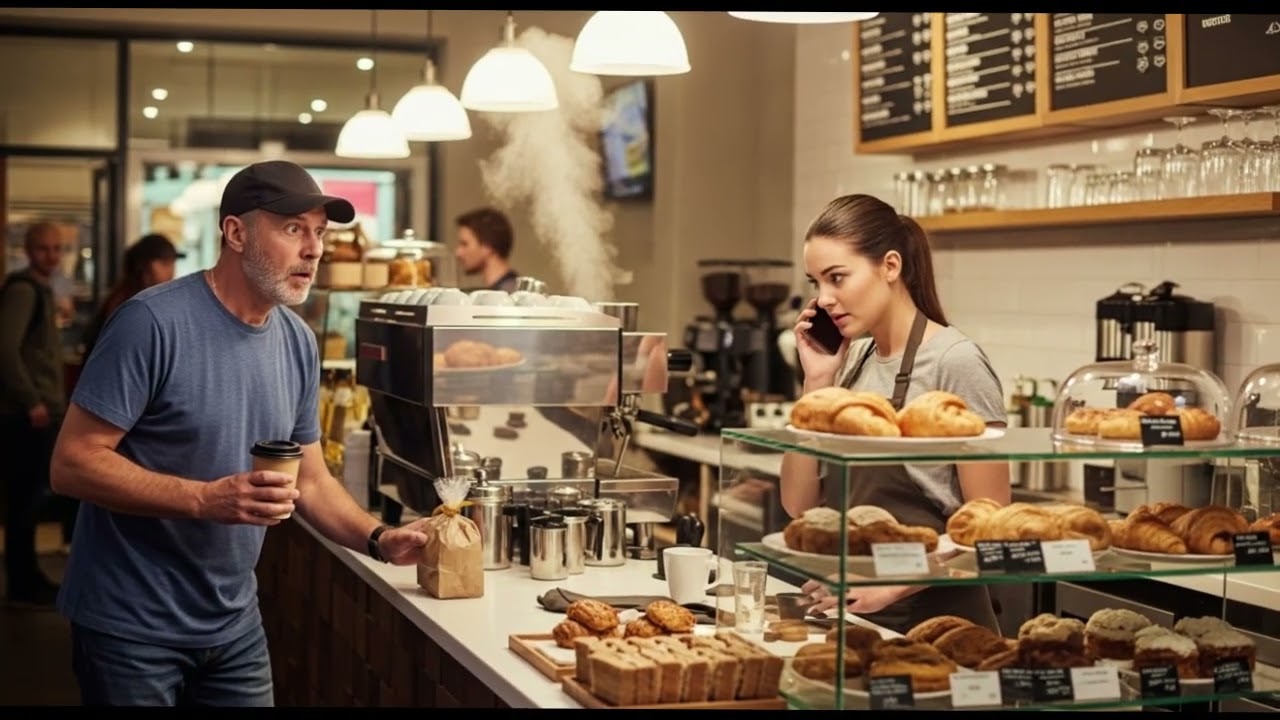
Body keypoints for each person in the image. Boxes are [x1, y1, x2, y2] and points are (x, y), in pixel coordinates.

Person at [50, 160, 433, 707]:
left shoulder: (298, 342)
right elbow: (72, 463)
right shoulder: (151, 323)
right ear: (235, 233)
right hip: (130, 626)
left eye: (320, 232)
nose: (315, 249)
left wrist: (377, 538)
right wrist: (205, 498)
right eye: (293, 228)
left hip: (233, 627)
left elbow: (312, 481)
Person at [779, 193, 1009, 635]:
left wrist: (895, 582)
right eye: (815, 283)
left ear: (890, 266)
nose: (824, 299)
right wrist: (817, 384)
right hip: (859, 613)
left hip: (938, 622)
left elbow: (991, 528)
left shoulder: (954, 361)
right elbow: (798, 503)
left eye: (837, 278)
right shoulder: (852, 359)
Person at [0, 221, 67, 608]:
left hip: (36, 412)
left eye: (57, 248)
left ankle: (26, 577)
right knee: (24, 500)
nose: (52, 256)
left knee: (29, 498)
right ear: (28, 250)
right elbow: (6, 349)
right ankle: (22, 581)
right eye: (44, 249)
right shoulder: (24, 290)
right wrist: (32, 401)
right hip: (27, 416)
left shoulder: (41, 290)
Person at [81, 233, 181, 359]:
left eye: (172, 263)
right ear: (145, 267)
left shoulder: (137, 298)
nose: (172, 271)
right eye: (165, 263)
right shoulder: (130, 303)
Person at [454, 206, 519, 292]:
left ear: (487, 246)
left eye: (465, 244)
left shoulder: (510, 296)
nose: (458, 253)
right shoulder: (510, 290)